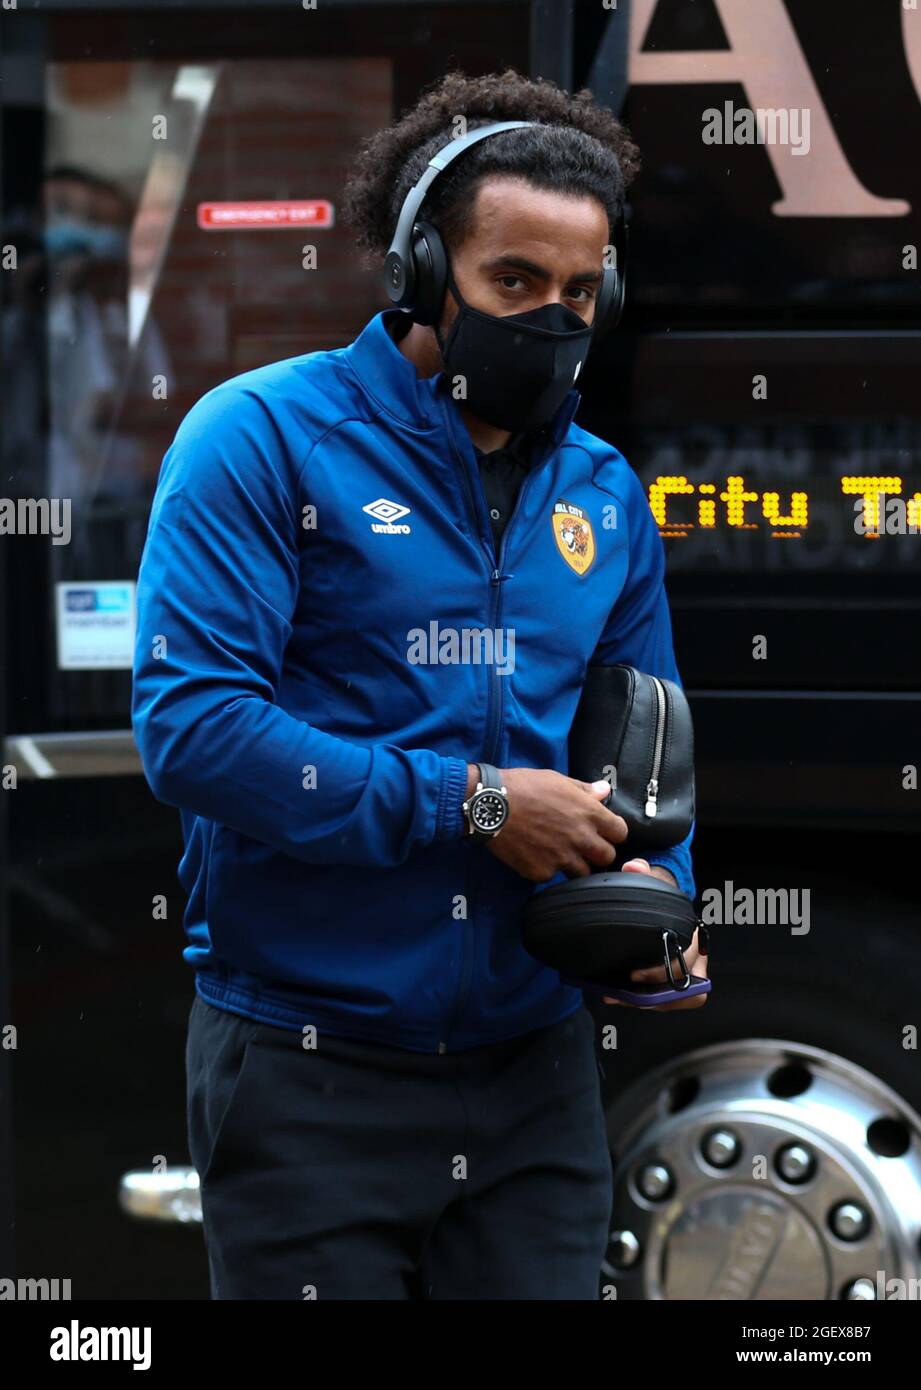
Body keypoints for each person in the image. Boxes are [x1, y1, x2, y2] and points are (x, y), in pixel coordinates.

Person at [132, 67, 707, 1301]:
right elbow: (196, 730)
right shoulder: (260, 439)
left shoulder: (605, 490)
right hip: (306, 1074)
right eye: (513, 282)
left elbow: (646, 743)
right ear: (417, 271)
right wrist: (479, 804)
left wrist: (664, 900)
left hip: (533, 1076)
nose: (551, 318)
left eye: (580, 290)